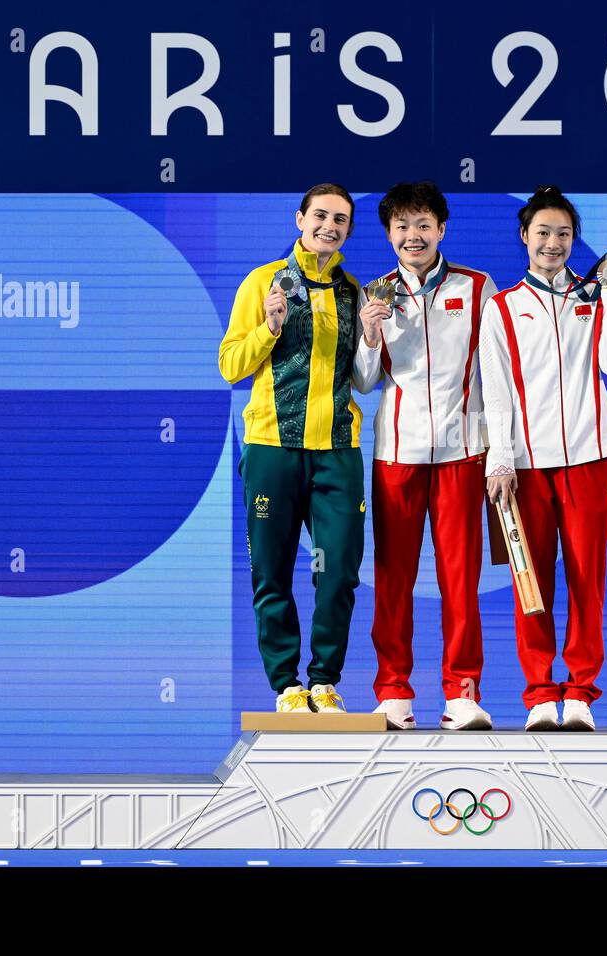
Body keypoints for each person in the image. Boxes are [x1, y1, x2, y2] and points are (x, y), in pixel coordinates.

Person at [218, 184, 386, 715]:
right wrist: (269, 327)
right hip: (272, 446)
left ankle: (324, 682)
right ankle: (286, 686)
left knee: (339, 568)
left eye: (340, 220)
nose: (329, 226)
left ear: (348, 231)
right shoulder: (262, 281)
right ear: (300, 219)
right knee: (271, 570)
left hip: (338, 449)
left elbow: (362, 382)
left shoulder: (354, 291)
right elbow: (230, 365)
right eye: (320, 216)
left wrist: (371, 338)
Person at [479, 185, 607, 732]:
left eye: (564, 234)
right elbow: (495, 392)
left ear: (574, 241)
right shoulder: (502, 308)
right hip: (525, 466)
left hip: (593, 458)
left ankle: (581, 696)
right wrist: (500, 460)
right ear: (525, 237)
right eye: (543, 232)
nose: (553, 243)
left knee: (588, 579)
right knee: (531, 581)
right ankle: (541, 694)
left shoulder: (592, 297)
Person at [357, 182, 499, 730]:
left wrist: (498, 448)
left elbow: (498, 376)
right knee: (393, 577)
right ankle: (393, 690)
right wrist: (370, 335)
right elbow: (365, 382)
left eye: (423, 225)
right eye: (401, 227)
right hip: (397, 451)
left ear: (441, 229)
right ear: (389, 234)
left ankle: (462, 692)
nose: (412, 236)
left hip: (465, 452)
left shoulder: (478, 288)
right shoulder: (373, 293)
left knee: (459, 577)